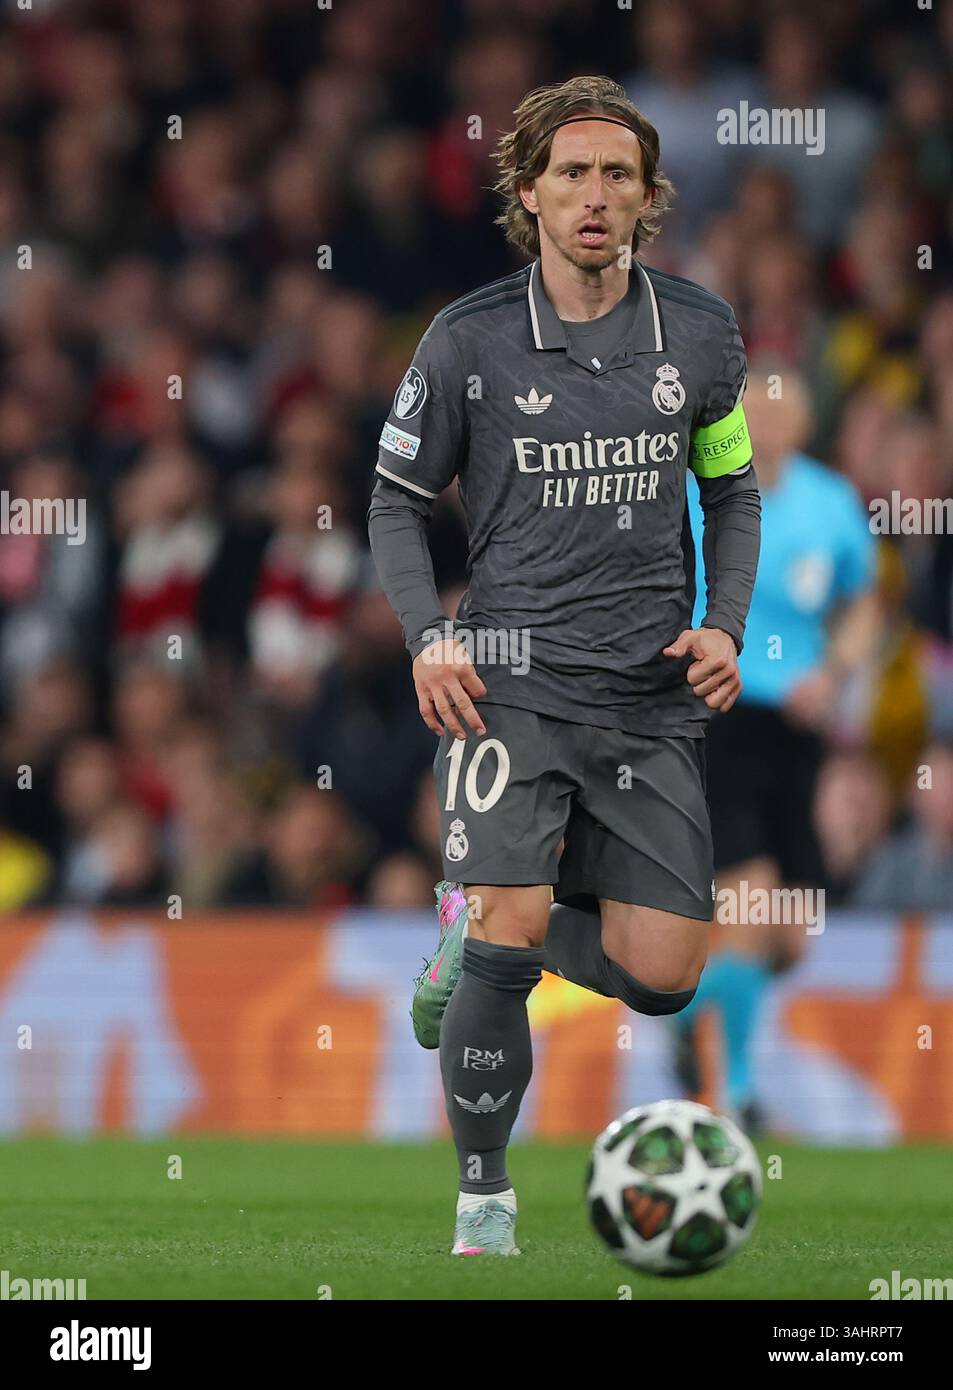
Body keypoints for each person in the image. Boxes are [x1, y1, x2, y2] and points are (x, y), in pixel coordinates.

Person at [367, 76, 761, 1256]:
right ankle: (483, 1199)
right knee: (511, 920)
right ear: (528, 191)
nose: (595, 197)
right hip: (507, 685)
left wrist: (725, 622)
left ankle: (483, 925)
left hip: (646, 696)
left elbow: (728, 487)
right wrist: (427, 634)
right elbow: (393, 503)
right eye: (572, 174)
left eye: (618, 177)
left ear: (648, 200)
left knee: (663, 974)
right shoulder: (466, 337)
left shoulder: (697, 331)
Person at [676, 372, 879, 1128]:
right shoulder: (702, 495)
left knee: (789, 938)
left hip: (796, 732)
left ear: (802, 421)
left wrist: (832, 673)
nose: (767, 422)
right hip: (718, 716)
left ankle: (670, 1017)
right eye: (753, 410)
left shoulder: (831, 502)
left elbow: (861, 600)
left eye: (781, 409)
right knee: (751, 901)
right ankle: (732, 1095)